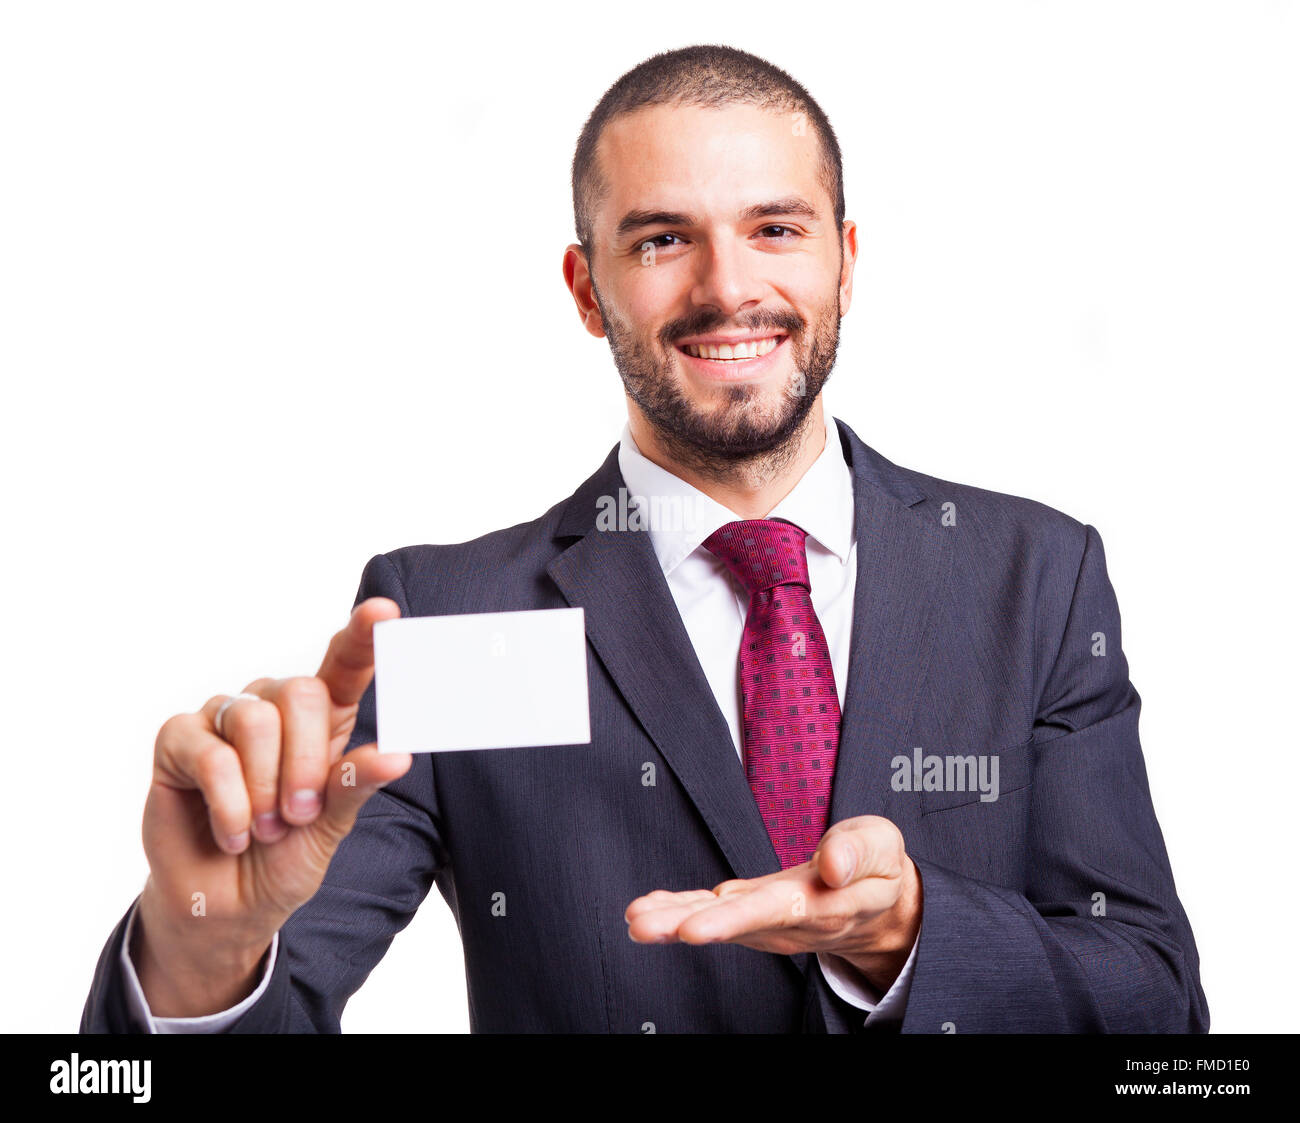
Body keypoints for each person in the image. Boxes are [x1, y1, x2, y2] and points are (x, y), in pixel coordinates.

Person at [81, 44, 1209, 1034]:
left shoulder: (1033, 577)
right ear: (586, 289)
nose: (729, 290)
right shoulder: (456, 618)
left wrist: (909, 934)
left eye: (776, 228)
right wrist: (201, 954)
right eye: (663, 238)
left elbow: (1153, 1003)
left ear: (846, 260)